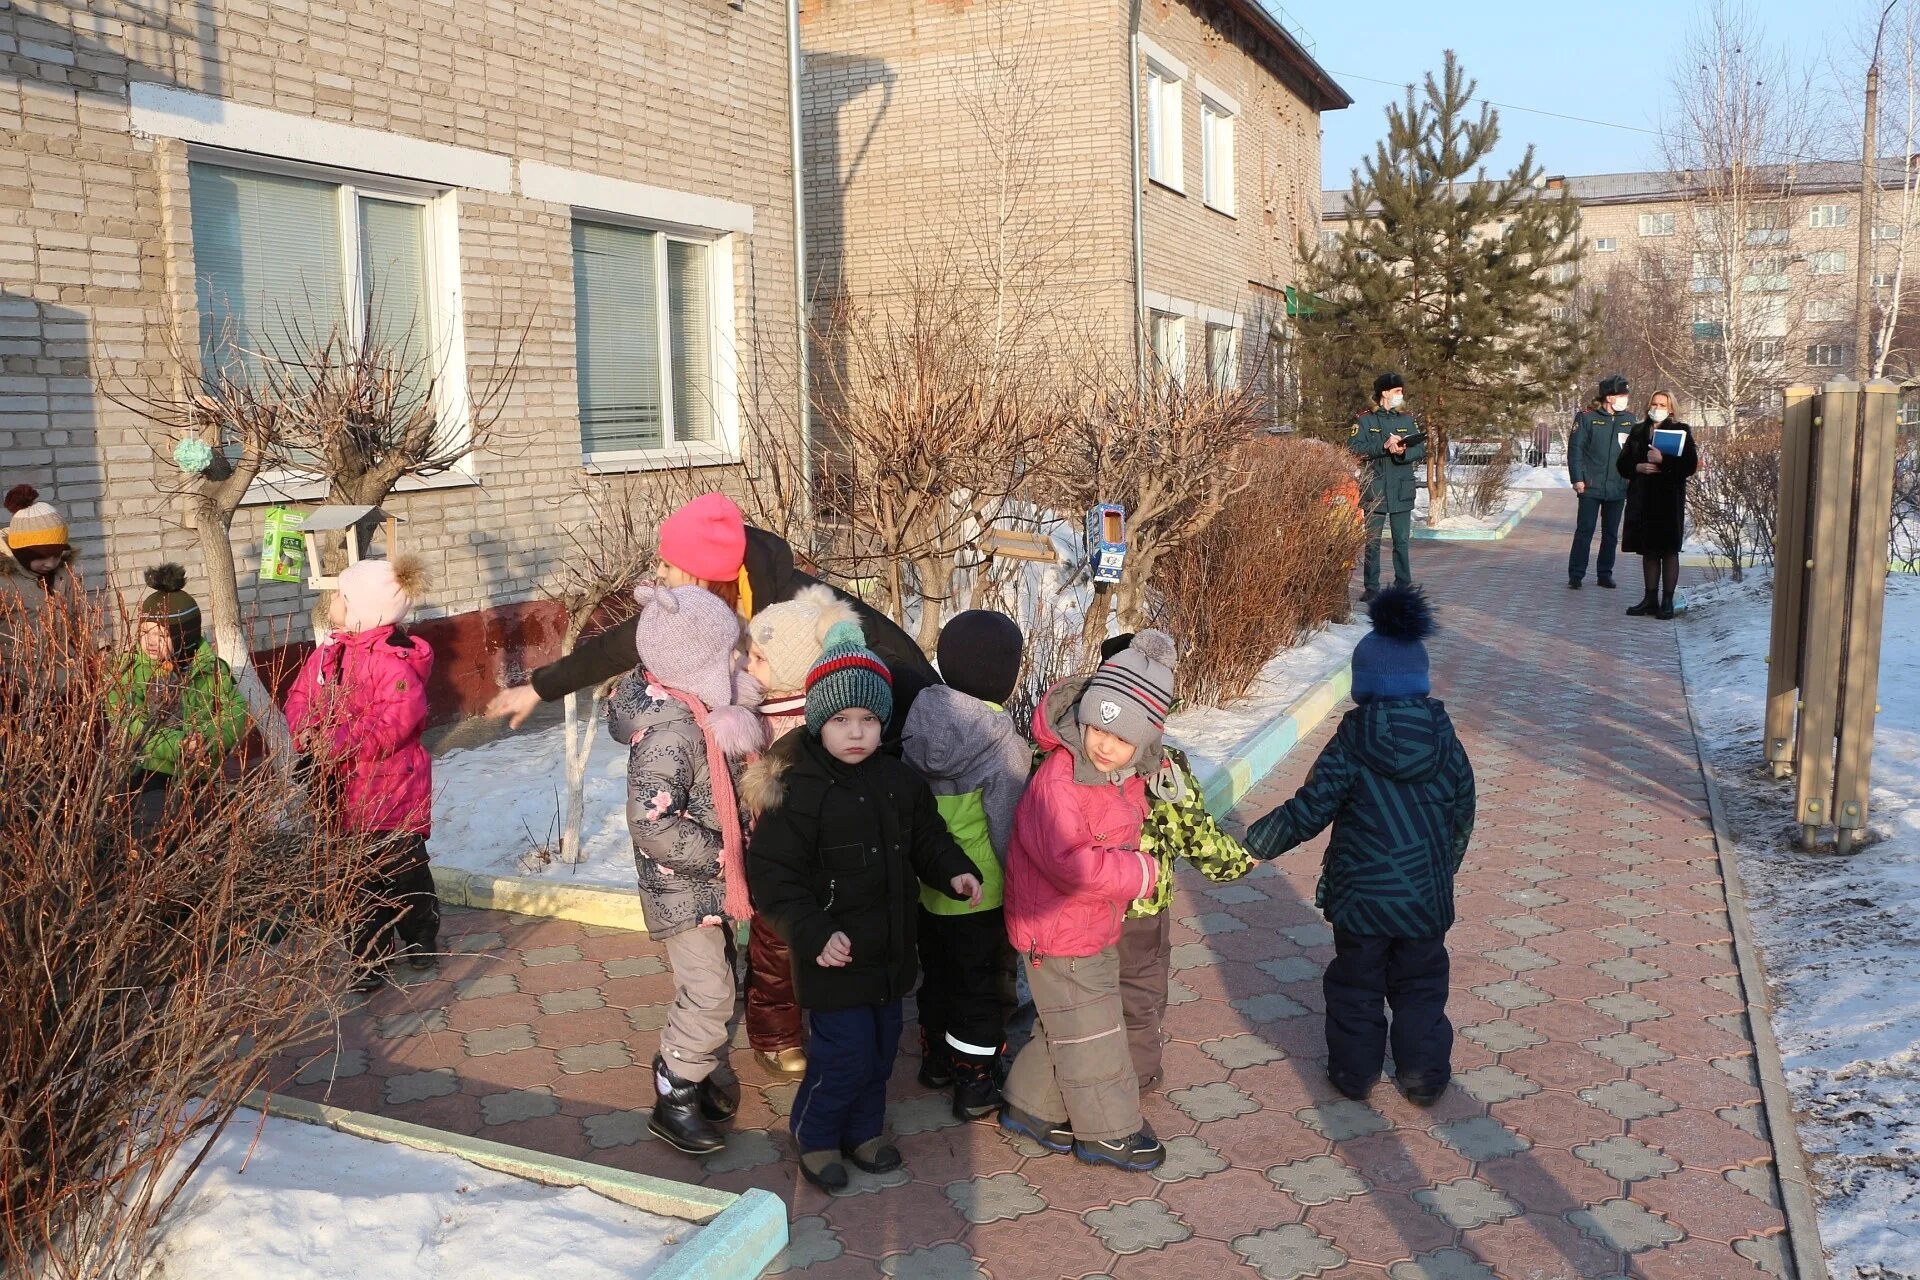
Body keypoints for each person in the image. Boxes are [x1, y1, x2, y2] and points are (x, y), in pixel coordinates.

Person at [744, 621, 981, 1193]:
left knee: (878, 1055)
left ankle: (864, 1131)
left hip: (891, 953)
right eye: (842, 721)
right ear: (818, 721)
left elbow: (927, 836)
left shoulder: (898, 780)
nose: (857, 733)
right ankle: (817, 1134)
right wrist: (812, 931)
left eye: (869, 721)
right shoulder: (796, 791)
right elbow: (774, 879)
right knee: (842, 1055)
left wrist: (952, 869)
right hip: (833, 958)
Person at [1243, 586, 1476, 1106]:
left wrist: (1255, 843)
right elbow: (1464, 810)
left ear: (1364, 686)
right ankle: (1422, 1076)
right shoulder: (1445, 738)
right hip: (1425, 899)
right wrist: (1443, 869)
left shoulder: (1353, 738)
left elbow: (1311, 806)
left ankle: (1354, 1074)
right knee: (1421, 988)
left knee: (1356, 986)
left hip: (1361, 901)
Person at [490, 494, 940, 741]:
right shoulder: (697, 608)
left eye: (668, 564)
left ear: (703, 570)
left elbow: (886, 652)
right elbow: (622, 644)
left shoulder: (799, 606)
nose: (659, 573)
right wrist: (540, 686)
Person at [998, 632, 1177, 1173]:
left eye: (1121, 739)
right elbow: (1071, 863)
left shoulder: (1120, 776)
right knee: (1096, 1030)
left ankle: (1029, 1106)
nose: (1104, 745)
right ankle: (1109, 1133)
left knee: (1068, 1024)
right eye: (1098, 728)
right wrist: (1140, 873)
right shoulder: (1061, 781)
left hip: (1085, 925)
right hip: (1060, 929)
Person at [603, 583, 767, 1155]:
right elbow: (653, 823)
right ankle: (674, 1091)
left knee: (719, 978)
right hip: (682, 885)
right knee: (711, 991)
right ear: (697, 664)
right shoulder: (672, 732)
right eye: (730, 654)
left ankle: (694, 1069)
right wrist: (725, 855)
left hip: (707, 884)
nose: (740, 661)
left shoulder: (703, 713)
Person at [1096, 633, 1253, 1093]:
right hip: (1141, 910)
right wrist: (1237, 861)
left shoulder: (1065, 754)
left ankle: (1080, 1076)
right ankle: (1137, 1076)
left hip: (1078, 904)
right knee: (1139, 995)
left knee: (1083, 995)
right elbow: (1195, 836)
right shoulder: (1162, 768)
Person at [284, 557, 439, 990]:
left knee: (403, 872)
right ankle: (368, 960)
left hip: (391, 791)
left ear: (361, 610)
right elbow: (299, 698)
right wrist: (308, 731)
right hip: (340, 791)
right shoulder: (326, 655)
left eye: (340, 596)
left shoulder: (393, 664)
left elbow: (397, 721)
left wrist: (336, 741)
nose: (331, 601)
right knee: (356, 880)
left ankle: (420, 932)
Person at [904, 609, 1031, 1119]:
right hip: (983, 892)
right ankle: (974, 1079)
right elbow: (1007, 828)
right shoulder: (1005, 748)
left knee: (936, 975)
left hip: (926, 883)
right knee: (982, 988)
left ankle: (936, 1059)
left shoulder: (917, 720)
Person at [740, 583, 863, 1076]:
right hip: (778, 863)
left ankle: (827, 1025)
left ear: (793, 664)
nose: (749, 668)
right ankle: (775, 1036)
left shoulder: (828, 718)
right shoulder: (750, 719)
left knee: (827, 946)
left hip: (827, 857)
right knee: (774, 951)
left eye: (760, 659)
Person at [105, 564, 249, 837]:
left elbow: (235, 709)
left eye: (161, 634)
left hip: (201, 769)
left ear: (186, 635)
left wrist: (208, 738)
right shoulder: (127, 671)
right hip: (147, 771)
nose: (150, 641)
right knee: (152, 827)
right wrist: (179, 745)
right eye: (145, 632)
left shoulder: (209, 668)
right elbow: (126, 722)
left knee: (212, 828)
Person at [1618, 389, 1700, 621]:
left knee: (1668, 550)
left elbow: (1689, 465)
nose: (1657, 408)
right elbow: (1622, 463)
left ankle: (1667, 601)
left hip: (1668, 499)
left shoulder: (1680, 431)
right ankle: (1650, 598)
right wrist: (1638, 467)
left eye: (1662, 404)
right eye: (1654, 403)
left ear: (1671, 408)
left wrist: (1664, 461)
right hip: (1643, 499)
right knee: (1649, 550)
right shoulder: (1638, 431)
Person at [1349, 371, 1426, 603]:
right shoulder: (1364, 420)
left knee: (1401, 541)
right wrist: (1383, 446)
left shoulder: (1406, 419)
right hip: (1376, 488)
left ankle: (1403, 584)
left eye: (1401, 391)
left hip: (1402, 488)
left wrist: (1403, 451)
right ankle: (1371, 586)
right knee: (1372, 541)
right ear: (1384, 393)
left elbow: (1420, 449)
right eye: (1397, 391)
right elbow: (1354, 448)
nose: (1400, 395)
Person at [1566, 375, 1636, 590]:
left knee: (1611, 534)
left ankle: (1605, 573)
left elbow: (1635, 453)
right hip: (1590, 485)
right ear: (1609, 397)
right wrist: (1577, 478)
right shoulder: (1587, 417)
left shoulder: (1629, 420)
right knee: (1585, 530)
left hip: (1617, 486)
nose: (1625, 399)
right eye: (1621, 395)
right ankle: (1576, 574)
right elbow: (1575, 450)